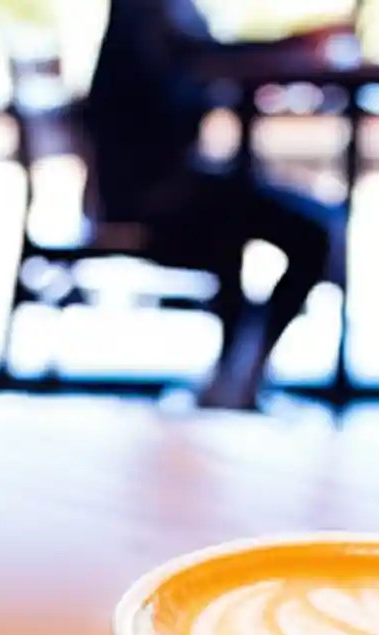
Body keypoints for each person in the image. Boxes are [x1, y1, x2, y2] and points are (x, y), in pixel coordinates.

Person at [85, 0, 337, 410]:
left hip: (165, 188)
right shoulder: (147, 15)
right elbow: (202, 61)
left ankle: (239, 371)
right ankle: (241, 372)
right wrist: (291, 46)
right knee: (311, 232)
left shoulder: (157, 16)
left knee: (301, 222)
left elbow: (204, 60)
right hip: (155, 199)